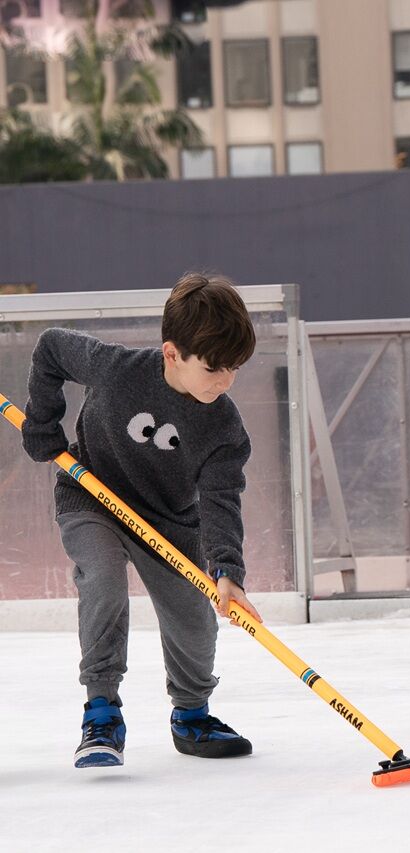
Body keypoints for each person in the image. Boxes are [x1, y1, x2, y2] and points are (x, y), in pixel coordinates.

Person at [21, 273, 262, 769]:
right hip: (91, 498)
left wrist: (228, 570)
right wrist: (43, 424)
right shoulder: (116, 368)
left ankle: (192, 716)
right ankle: (102, 711)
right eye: (214, 368)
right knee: (104, 582)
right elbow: (50, 349)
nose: (225, 381)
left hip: (170, 523)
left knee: (194, 620)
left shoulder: (224, 426)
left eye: (235, 368)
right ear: (172, 354)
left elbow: (221, 499)